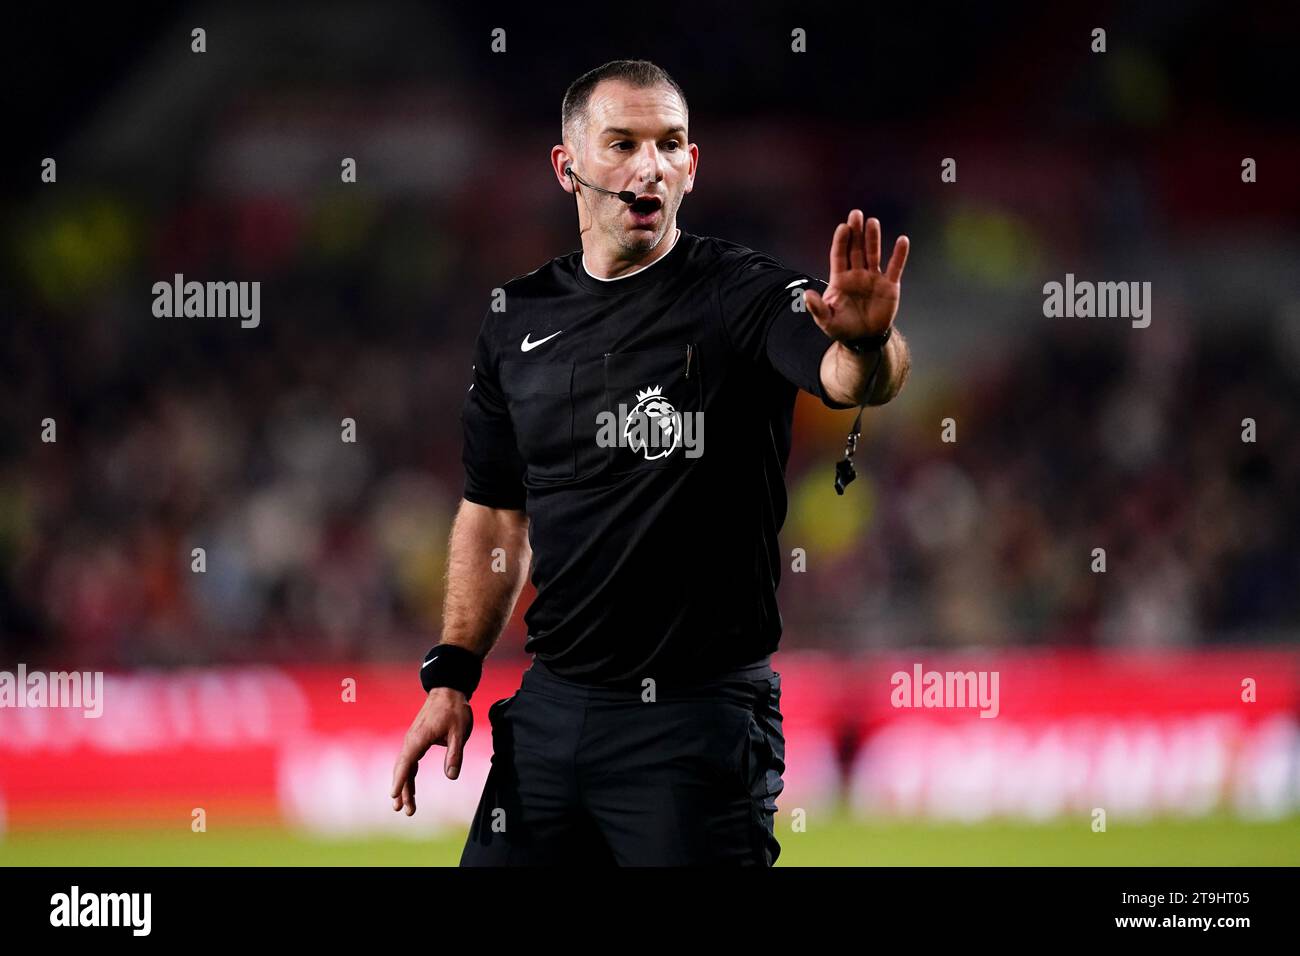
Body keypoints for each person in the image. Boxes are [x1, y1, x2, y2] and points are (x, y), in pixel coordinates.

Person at [390, 59, 910, 865]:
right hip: (551, 716)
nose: (649, 166)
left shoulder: (743, 294)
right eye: (622, 143)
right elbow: (495, 511)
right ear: (568, 168)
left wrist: (867, 340)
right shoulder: (516, 322)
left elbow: (849, 380)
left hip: (694, 729)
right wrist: (452, 673)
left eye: (670, 145)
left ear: (691, 167)